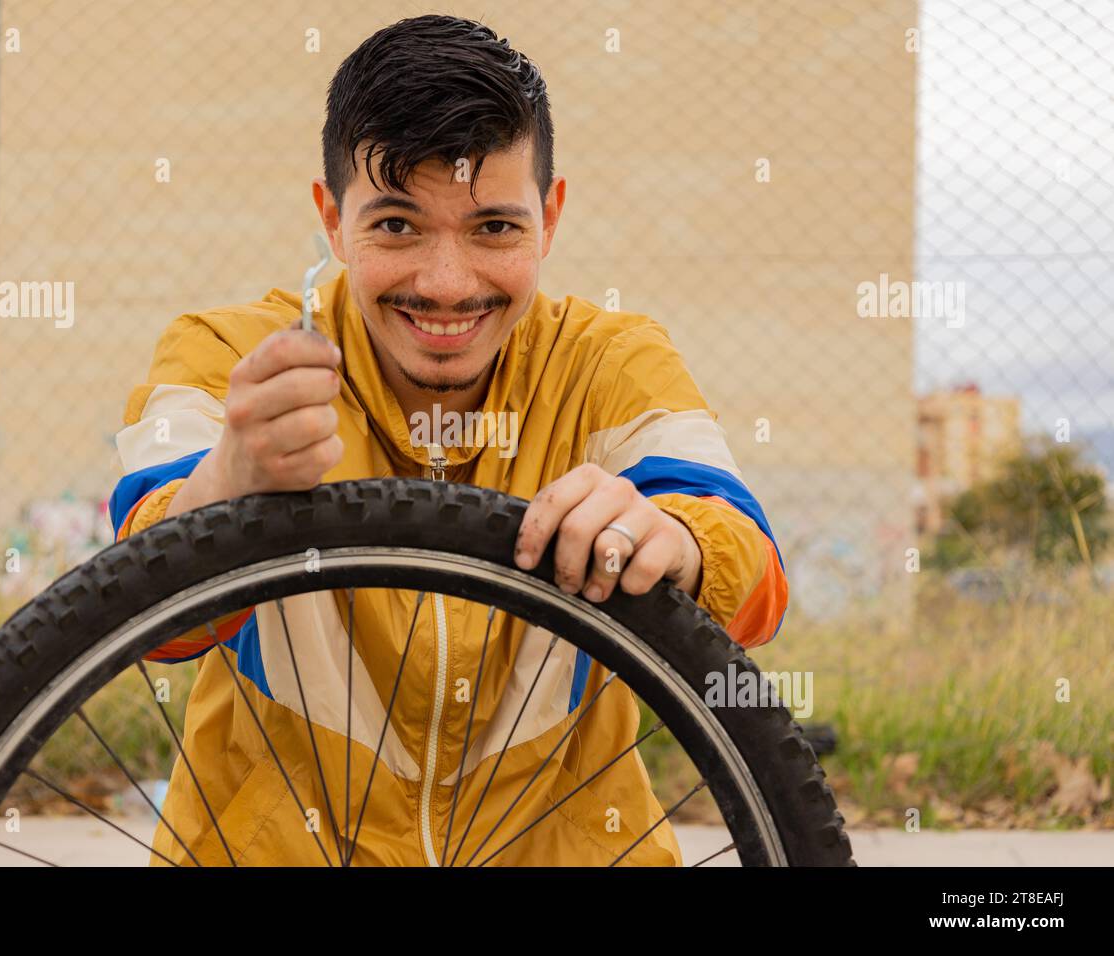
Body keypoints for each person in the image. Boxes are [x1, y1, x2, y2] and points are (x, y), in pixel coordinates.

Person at [108, 13, 787, 866]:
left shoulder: (610, 361)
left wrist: (679, 541)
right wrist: (227, 486)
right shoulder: (233, 354)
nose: (445, 284)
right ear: (330, 218)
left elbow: (756, 584)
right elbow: (147, 619)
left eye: (494, 228)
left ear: (551, 215)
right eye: (395, 226)